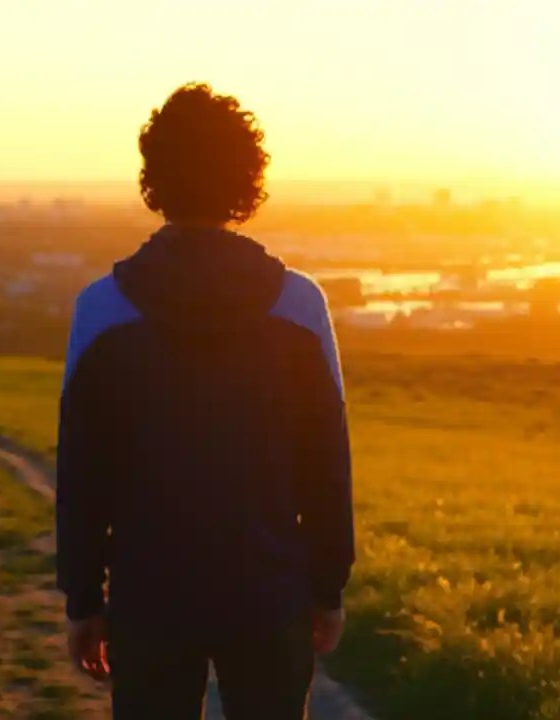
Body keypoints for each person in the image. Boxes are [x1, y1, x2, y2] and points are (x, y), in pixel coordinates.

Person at [56, 82, 355, 720]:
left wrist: (83, 600)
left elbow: (83, 473)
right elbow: (326, 465)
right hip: (269, 593)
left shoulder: (101, 309)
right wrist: (328, 587)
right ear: (248, 179)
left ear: (153, 178)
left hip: (149, 597)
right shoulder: (300, 306)